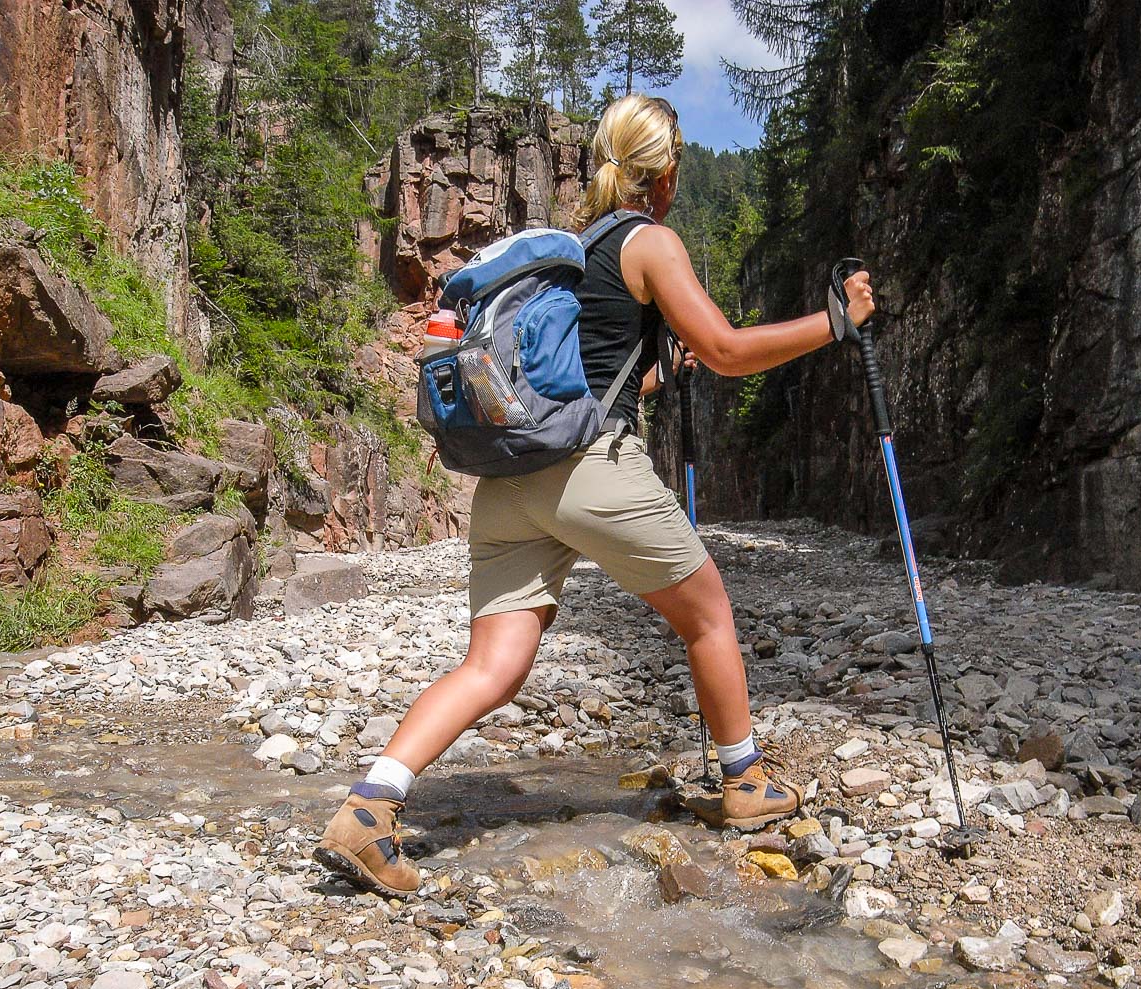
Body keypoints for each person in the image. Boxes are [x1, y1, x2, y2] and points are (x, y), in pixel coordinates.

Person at [315, 94, 875, 896]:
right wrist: (836, 322)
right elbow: (723, 348)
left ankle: (370, 807)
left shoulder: (570, 255)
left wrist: (656, 373)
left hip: (510, 481)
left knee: (493, 665)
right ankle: (745, 780)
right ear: (667, 169)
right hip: (592, 472)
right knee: (709, 614)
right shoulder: (649, 240)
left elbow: (581, 377)